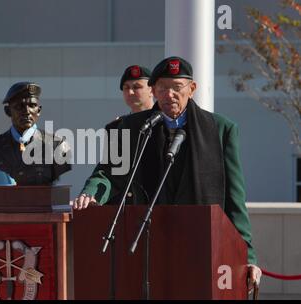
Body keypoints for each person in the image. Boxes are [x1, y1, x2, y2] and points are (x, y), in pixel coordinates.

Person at [73, 56, 262, 290]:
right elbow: (107, 173)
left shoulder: (220, 129)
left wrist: (248, 257)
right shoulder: (132, 127)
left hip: (200, 243)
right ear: (153, 91)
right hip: (148, 243)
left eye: (177, 87)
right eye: (162, 88)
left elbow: (234, 199)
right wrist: (91, 194)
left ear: (192, 89)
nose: (169, 94)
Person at [72, 65, 154, 206]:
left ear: (152, 90)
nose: (130, 91)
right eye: (126, 87)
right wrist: (92, 194)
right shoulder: (116, 127)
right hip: (124, 210)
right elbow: (108, 170)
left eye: (137, 86)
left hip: (157, 208)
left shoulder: (166, 123)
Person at [0, 82, 71, 185]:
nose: (27, 111)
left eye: (32, 105)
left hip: (44, 200)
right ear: (8, 111)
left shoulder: (57, 144)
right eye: (19, 106)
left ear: (38, 110)